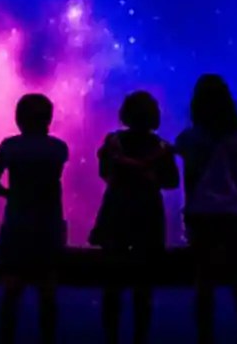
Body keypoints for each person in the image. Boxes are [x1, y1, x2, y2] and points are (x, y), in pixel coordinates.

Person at [90, 91, 180, 344]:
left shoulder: (113, 142)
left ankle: (111, 338)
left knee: (113, 283)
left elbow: (104, 172)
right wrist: (150, 176)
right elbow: (172, 181)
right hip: (147, 212)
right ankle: (140, 338)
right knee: (143, 284)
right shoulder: (160, 147)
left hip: (117, 209)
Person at [174, 74, 237, 344]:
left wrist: (186, 214)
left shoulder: (189, 138)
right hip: (233, 212)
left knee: (204, 283)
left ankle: (205, 338)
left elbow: (189, 180)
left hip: (201, 213)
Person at [0, 93, 69, 344]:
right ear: (48, 119)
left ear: (18, 119)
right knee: (48, 292)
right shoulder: (58, 148)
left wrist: (11, 195)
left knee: (11, 290)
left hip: (17, 223)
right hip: (49, 224)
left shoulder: (10, 146)